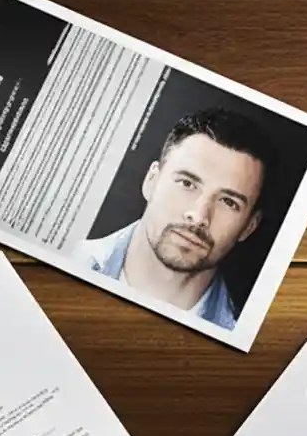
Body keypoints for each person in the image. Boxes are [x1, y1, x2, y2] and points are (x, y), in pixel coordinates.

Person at [75, 107, 276, 330]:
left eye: (228, 202)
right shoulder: (67, 261)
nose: (199, 216)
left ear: (249, 226)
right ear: (151, 181)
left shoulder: (239, 333)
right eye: (187, 184)